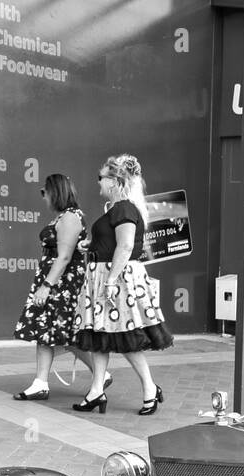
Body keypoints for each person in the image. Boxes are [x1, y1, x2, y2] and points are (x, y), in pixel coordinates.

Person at [74, 154, 173, 415]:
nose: (98, 183)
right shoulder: (117, 209)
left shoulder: (124, 209)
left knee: (126, 338)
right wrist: (91, 245)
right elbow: (115, 243)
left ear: (115, 181)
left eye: (101, 178)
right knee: (99, 336)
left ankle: (150, 388)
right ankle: (96, 390)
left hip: (116, 279)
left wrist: (110, 281)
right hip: (108, 276)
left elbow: (126, 245)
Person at [12, 173, 95, 401]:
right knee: (48, 332)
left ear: (55, 192)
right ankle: (40, 383)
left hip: (62, 284)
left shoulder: (70, 218)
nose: (43, 197)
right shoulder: (64, 217)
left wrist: (47, 285)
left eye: (44, 192)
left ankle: (100, 374)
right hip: (57, 282)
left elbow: (65, 256)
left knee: (63, 334)